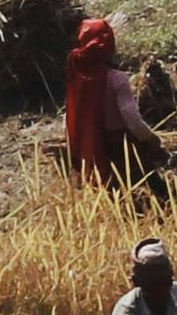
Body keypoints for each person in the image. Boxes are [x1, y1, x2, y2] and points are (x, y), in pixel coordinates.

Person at [61, 15, 169, 188]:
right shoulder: (117, 79)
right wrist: (151, 139)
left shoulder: (77, 77)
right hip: (121, 147)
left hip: (92, 148)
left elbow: (71, 115)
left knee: (110, 194)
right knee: (157, 191)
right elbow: (132, 121)